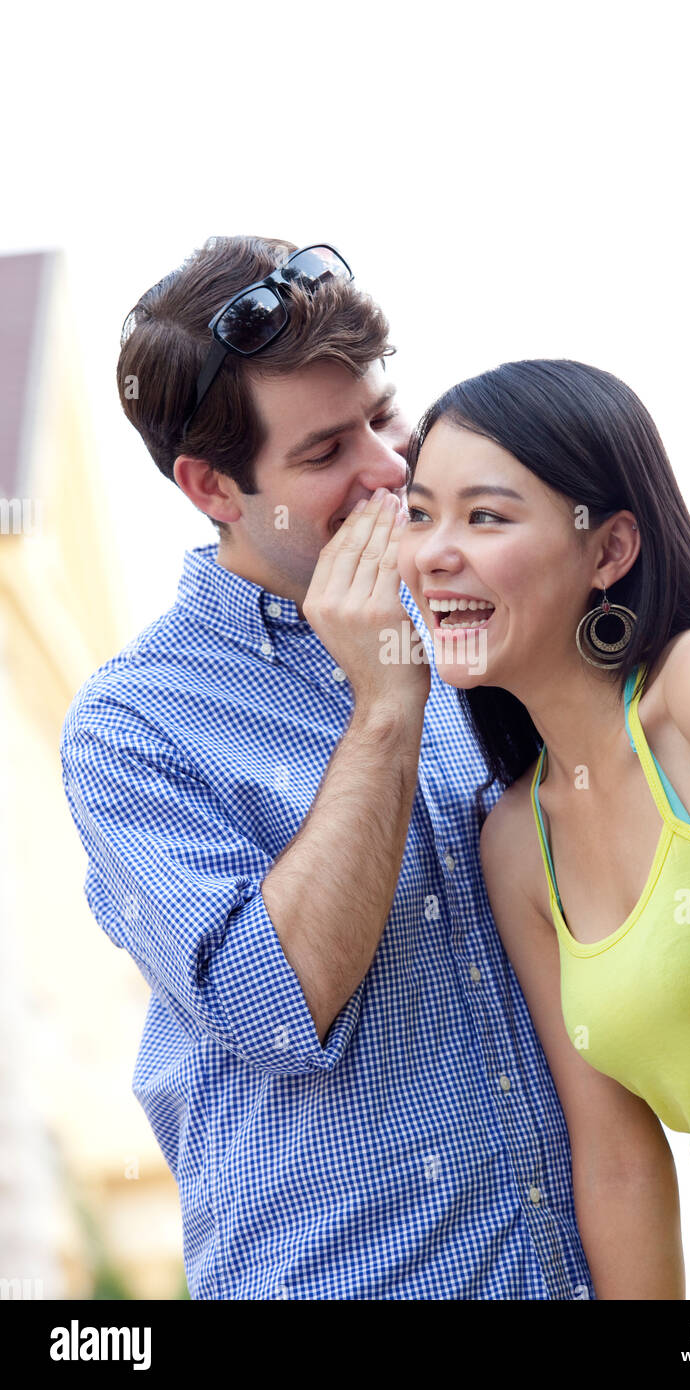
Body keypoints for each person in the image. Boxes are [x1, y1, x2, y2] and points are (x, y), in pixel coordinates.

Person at [59, 238, 594, 1301]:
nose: (389, 472)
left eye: (379, 418)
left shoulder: (477, 629)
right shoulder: (131, 728)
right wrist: (385, 707)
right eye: (323, 453)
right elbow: (273, 1007)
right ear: (212, 487)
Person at [397, 357, 690, 1301]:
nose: (435, 552)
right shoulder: (516, 844)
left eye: (486, 516)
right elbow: (616, 1162)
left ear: (608, 551)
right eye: (418, 513)